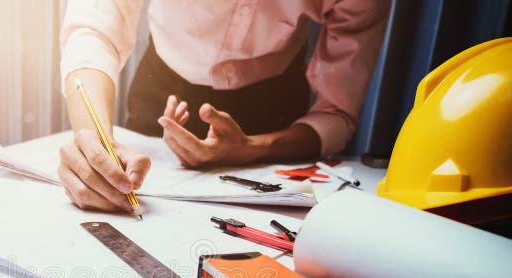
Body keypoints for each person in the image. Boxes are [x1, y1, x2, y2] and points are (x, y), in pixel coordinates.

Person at [58, 0, 391, 212]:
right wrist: (93, 137)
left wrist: (253, 148)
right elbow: (95, 25)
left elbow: (335, 112)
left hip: (274, 116)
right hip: (162, 85)